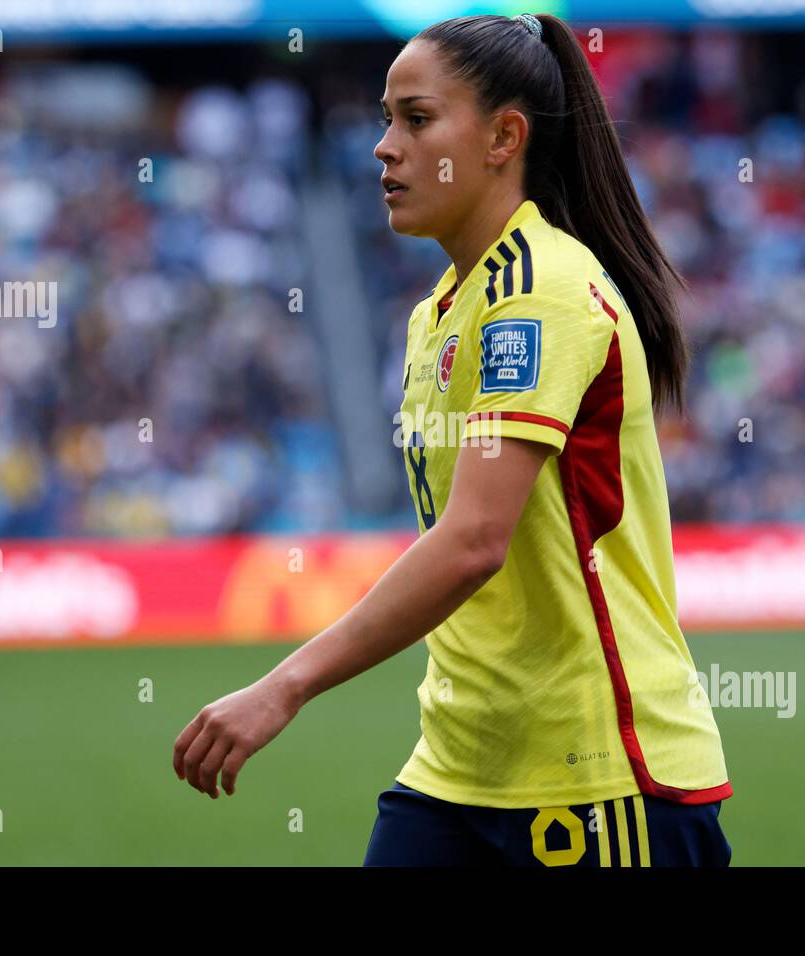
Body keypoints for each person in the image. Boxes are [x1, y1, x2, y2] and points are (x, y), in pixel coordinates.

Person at [172, 12, 732, 867]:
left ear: (505, 137)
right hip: (457, 772)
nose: (383, 147)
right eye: (387, 118)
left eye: (417, 118)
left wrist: (284, 686)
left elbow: (472, 542)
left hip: (594, 779)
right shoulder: (437, 312)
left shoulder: (538, 289)